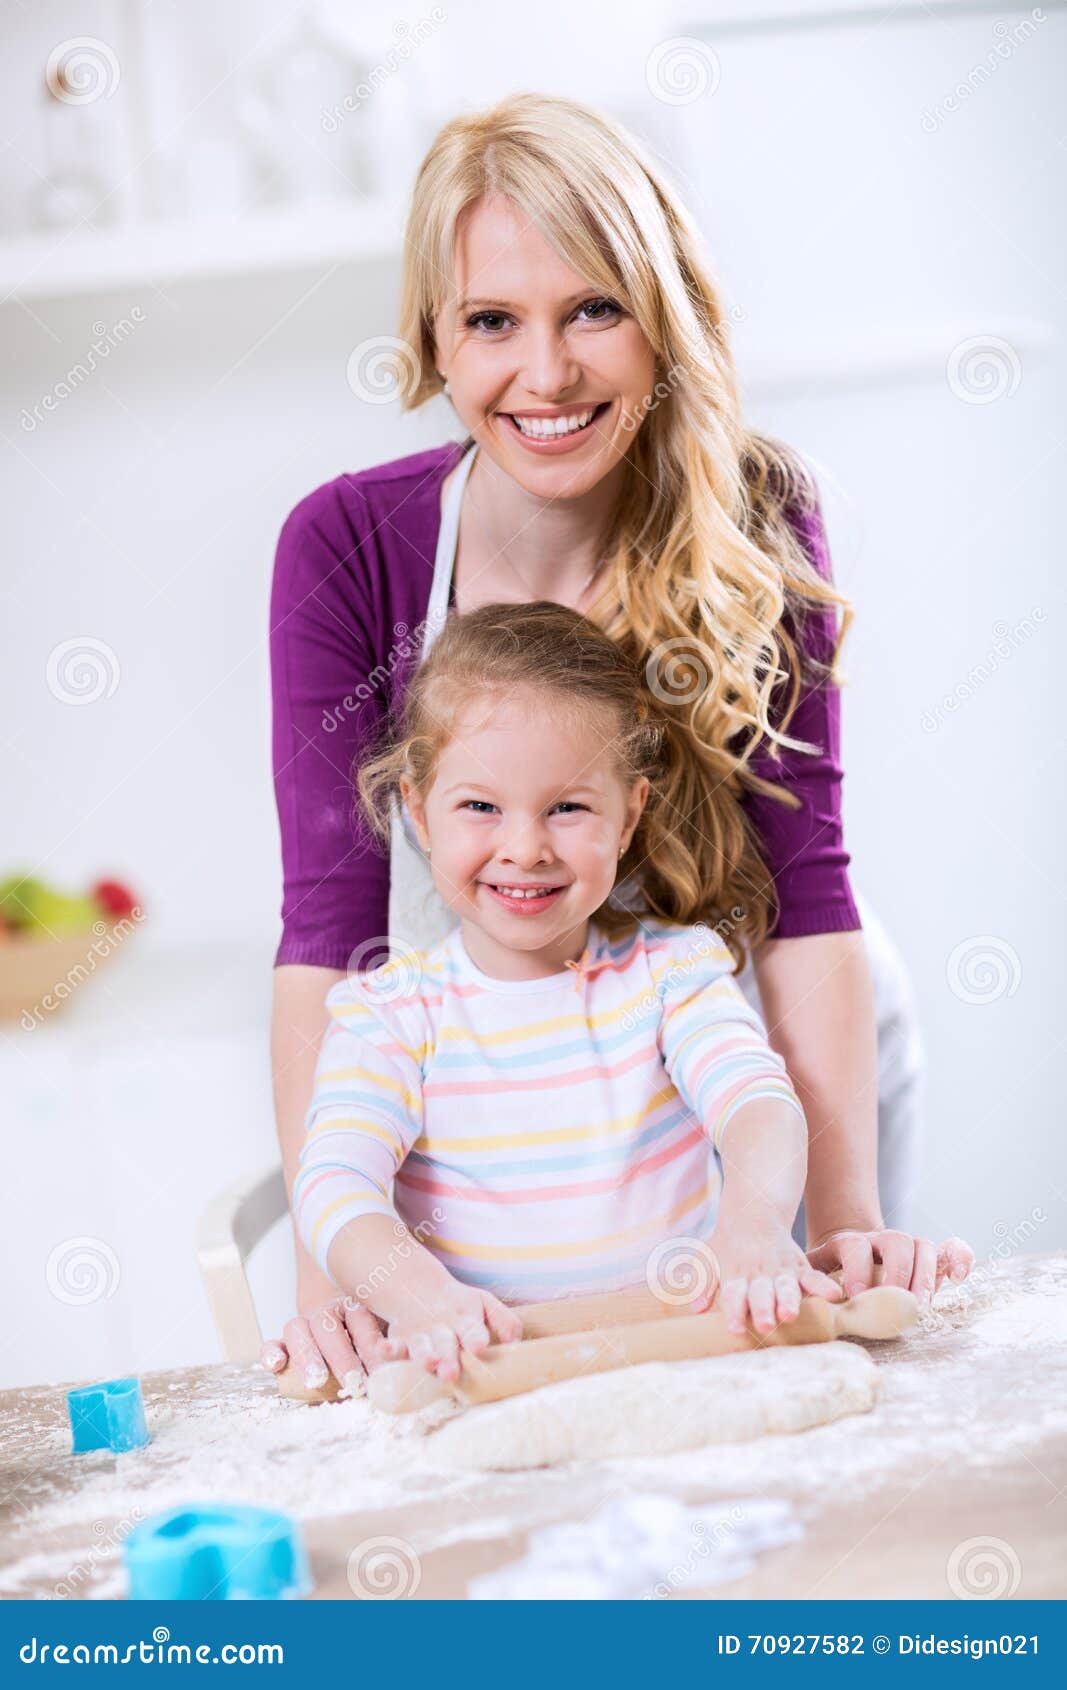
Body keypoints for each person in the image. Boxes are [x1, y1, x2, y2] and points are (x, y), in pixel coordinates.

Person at [265, 92, 971, 1392]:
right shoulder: (347, 552)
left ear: (663, 311)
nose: (544, 375)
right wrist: (331, 1282)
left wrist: (841, 1223)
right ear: (433, 335)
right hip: (503, 1080)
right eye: (491, 321)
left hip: (750, 1054)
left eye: (592, 308)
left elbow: (804, 893)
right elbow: (330, 926)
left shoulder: (754, 513)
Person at [295, 600, 862, 1384]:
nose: (524, 848)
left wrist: (753, 1228)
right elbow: (334, 1183)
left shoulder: (674, 979)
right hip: (486, 1376)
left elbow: (757, 1104)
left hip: (686, 1362)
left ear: (627, 817)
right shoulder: (389, 1019)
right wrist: (424, 1301)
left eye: (566, 807)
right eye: (480, 807)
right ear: (420, 813)